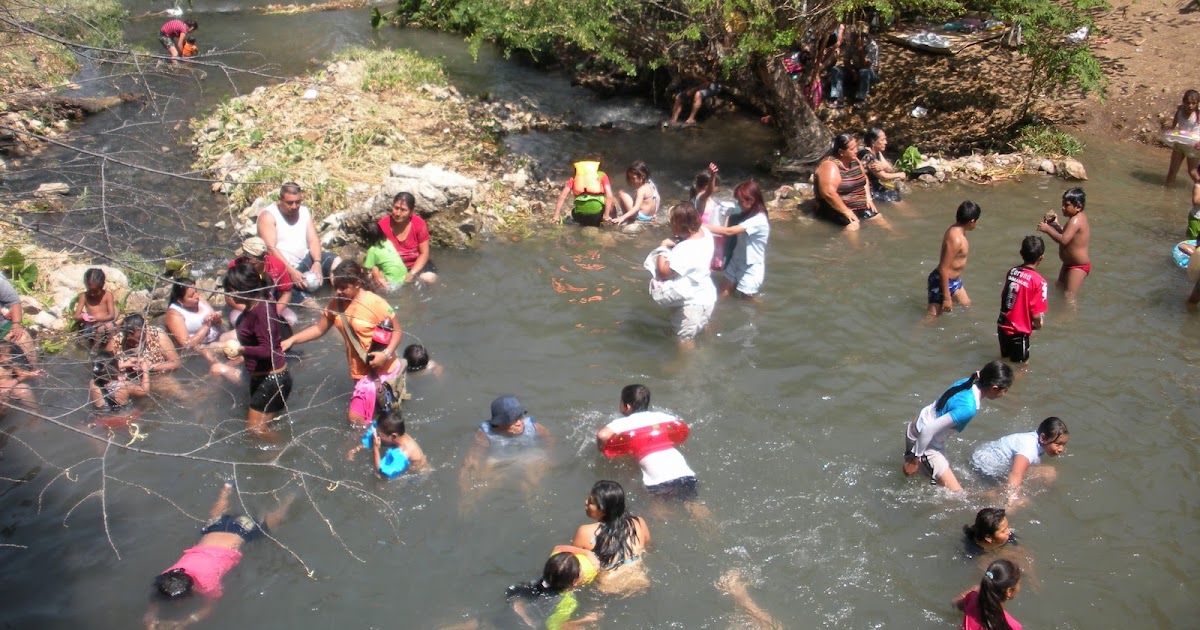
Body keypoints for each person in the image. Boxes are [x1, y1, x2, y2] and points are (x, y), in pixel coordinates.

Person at [145, 482, 291, 630]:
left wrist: (183, 623)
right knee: (216, 515)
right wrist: (150, 615)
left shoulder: (207, 584)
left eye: (177, 601)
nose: (174, 604)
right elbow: (157, 595)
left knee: (274, 521)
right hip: (214, 527)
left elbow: (209, 608)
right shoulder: (171, 574)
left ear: (192, 589)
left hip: (243, 531)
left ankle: (288, 499)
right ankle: (226, 488)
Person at [282, 261, 402, 426]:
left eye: (343, 287)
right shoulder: (336, 303)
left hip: (382, 369)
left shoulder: (376, 303)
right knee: (374, 417)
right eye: (335, 286)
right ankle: (373, 443)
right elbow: (319, 329)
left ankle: (363, 446)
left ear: (358, 284)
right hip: (358, 370)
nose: (338, 291)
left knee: (356, 419)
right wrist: (292, 340)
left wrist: (385, 354)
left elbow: (397, 331)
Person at [903, 361, 1014, 492]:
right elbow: (929, 429)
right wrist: (915, 460)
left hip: (914, 427)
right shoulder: (968, 408)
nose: (1005, 394)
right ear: (994, 388)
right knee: (958, 496)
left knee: (928, 477)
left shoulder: (967, 382)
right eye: (1005, 390)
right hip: (924, 441)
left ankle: (913, 472)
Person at [223, 261, 291, 437]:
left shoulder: (262, 312)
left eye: (230, 290)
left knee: (255, 429)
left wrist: (242, 350)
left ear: (242, 288)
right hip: (263, 378)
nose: (228, 295)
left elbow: (268, 351)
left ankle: (287, 453)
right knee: (266, 425)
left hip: (273, 379)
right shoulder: (252, 307)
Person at [596, 385, 696, 496]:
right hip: (683, 470)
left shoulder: (623, 423)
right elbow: (682, 428)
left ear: (627, 407)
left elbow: (602, 435)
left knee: (659, 512)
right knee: (695, 505)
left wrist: (602, 451)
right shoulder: (662, 416)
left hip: (658, 478)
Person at [459, 395, 552, 511]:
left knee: (532, 481)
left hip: (529, 455)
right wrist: (466, 491)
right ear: (500, 422)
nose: (519, 423)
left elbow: (548, 440)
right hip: (499, 458)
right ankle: (468, 510)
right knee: (481, 483)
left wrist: (549, 458)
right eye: (513, 419)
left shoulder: (534, 427)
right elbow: (472, 460)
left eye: (520, 416)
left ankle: (537, 510)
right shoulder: (485, 434)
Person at [256, 182, 341, 295]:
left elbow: (313, 240)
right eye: (290, 203)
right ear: (280, 200)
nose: (294, 206)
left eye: (298, 202)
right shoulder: (268, 216)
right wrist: (291, 271)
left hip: (305, 259)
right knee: (306, 306)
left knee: (336, 262)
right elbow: (271, 249)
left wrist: (317, 262)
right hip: (282, 269)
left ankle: (338, 297)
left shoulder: (304, 212)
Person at [650, 203, 717, 342]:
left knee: (684, 340)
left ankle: (682, 363)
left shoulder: (685, 249)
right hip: (707, 295)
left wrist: (662, 247)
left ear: (680, 225)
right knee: (703, 328)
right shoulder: (706, 233)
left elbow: (663, 272)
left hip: (692, 304)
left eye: (672, 223)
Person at [570, 480, 651, 594]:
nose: (586, 502)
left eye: (591, 502)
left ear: (602, 511)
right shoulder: (638, 523)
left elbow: (571, 564)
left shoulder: (585, 532)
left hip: (606, 591)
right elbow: (649, 548)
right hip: (640, 585)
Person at [972, 417, 1070, 506]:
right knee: (1019, 502)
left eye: (1063, 444)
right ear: (1042, 438)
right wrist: (1011, 498)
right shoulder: (1028, 449)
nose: (1061, 449)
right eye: (1058, 444)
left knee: (1048, 472)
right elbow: (1015, 474)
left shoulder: (1037, 441)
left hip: (984, 454)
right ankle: (979, 495)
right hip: (982, 466)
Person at [707, 180, 771, 299]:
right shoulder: (746, 214)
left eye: (740, 201)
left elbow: (729, 231)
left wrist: (699, 225)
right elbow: (727, 230)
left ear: (751, 200)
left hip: (751, 266)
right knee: (722, 292)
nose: (738, 204)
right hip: (736, 260)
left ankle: (764, 312)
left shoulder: (758, 219)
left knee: (747, 300)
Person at [815, 133, 882, 231]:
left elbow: (864, 178)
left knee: (878, 217)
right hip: (835, 208)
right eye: (852, 149)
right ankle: (855, 246)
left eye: (856, 147)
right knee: (853, 226)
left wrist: (868, 198)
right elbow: (828, 193)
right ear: (841, 152)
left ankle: (897, 238)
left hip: (857, 204)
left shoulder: (854, 160)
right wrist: (846, 211)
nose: (856, 151)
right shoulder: (830, 165)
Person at [997, 236, 1048, 364]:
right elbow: (1036, 314)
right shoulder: (1039, 282)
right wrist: (1038, 324)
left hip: (1003, 325)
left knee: (1004, 359)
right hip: (1018, 332)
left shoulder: (1012, 272)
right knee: (1022, 367)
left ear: (1021, 253)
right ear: (1041, 258)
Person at [225, 236, 296, 327]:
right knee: (236, 321)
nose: (246, 263)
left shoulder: (277, 266)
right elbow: (229, 297)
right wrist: (253, 312)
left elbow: (286, 292)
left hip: (271, 305)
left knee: (291, 321)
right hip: (245, 306)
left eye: (252, 264)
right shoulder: (235, 267)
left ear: (263, 258)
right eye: (244, 258)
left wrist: (275, 312)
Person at [927, 201, 982, 318]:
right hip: (941, 281)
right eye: (977, 220)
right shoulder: (956, 239)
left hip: (954, 280)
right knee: (931, 319)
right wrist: (947, 298)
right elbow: (943, 268)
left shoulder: (958, 231)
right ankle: (915, 335)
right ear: (972, 221)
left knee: (966, 305)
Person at [1036, 187, 1090, 304]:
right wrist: (1056, 226)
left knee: (1069, 295)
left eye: (1067, 205)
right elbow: (1066, 235)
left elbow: (1064, 240)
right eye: (1062, 204)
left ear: (1078, 207)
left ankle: (1068, 318)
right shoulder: (1073, 219)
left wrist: (1047, 229)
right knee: (1059, 287)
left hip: (1078, 266)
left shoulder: (1076, 220)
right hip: (1069, 264)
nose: (1063, 208)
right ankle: (1059, 311)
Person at [377, 192, 438, 285]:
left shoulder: (419, 224)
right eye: (396, 208)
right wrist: (377, 276)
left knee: (429, 278)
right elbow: (374, 252)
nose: (398, 213)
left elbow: (424, 253)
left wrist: (412, 273)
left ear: (411, 211)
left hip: (415, 264)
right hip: (391, 265)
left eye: (403, 210)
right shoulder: (382, 225)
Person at [105, 314, 182, 380]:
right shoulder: (116, 341)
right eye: (131, 341)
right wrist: (123, 365)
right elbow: (104, 366)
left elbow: (175, 363)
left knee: (170, 386)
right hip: (127, 380)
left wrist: (150, 367)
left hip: (156, 377)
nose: (135, 344)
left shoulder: (157, 335)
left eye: (139, 339)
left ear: (145, 330)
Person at [354, 410, 428, 478]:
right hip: (414, 465)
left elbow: (380, 472)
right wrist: (357, 449)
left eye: (381, 435)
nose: (378, 436)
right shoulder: (398, 435)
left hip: (419, 474)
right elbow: (382, 437)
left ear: (393, 436)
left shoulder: (404, 452)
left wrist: (376, 448)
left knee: (381, 485)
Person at [952, 559, 1023, 630]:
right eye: (1019, 583)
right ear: (1009, 591)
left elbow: (955, 603)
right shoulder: (1012, 626)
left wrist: (974, 590)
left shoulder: (972, 598)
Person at [552, 155, 616, 227]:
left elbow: (562, 196)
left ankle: (584, 225)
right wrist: (606, 215)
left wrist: (556, 216)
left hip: (580, 216)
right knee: (612, 202)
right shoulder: (602, 175)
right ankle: (611, 224)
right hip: (597, 215)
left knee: (574, 211)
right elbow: (609, 195)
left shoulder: (575, 177)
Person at [165, 278, 224, 352]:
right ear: (180, 300)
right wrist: (206, 325)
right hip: (201, 349)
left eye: (196, 292)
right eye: (191, 295)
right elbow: (186, 345)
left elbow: (217, 323)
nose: (197, 296)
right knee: (232, 347)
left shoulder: (199, 299)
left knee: (237, 336)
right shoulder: (174, 314)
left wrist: (216, 319)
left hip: (218, 337)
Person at [691, 163, 729, 270]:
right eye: (715, 185)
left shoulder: (710, 200)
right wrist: (713, 175)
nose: (716, 188)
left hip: (715, 238)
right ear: (707, 186)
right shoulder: (700, 198)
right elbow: (709, 191)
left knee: (716, 269)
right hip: (707, 239)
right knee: (708, 268)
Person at [858, 128, 907, 203]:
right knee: (894, 200)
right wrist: (900, 174)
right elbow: (883, 176)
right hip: (866, 190)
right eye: (882, 140)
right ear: (873, 142)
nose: (886, 142)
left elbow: (890, 169)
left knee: (896, 197)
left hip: (875, 186)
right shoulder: (867, 155)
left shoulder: (877, 152)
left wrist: (883, 166)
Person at [72, 267, 116, 349]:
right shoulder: (84, 296)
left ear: (102, 285)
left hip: (106, 323)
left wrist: (98, 319)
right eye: (90, 290)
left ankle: (112, 348)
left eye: (95, 291)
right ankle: (94, 351)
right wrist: (84, 317)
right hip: (90, 326)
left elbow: (112, 315)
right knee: (98, 329)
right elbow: (76, 316)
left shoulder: (108, 295)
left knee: (107, 327)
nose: (92, 294)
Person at [1163, 89, 1200, 186]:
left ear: (1197, 104)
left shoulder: (1198, 115)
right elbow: (1176, 117)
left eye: (1193, 103)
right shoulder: (1180, 109)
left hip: (1193, 147)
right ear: (1183, 102)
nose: (1190, 106)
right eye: (1188, 103)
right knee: (1172, 172)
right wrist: (1172, 127)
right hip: (1179, 144)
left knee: (1192, 172)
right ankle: (1168, 195)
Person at [360, 220, 408, 292]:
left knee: (369, 276)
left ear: (366, 238)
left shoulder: (372, 251)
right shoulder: (387, 242)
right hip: (405, 276)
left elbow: (365, 270)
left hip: (391, 284)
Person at [0, 274, 36, 365]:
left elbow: (14, 301)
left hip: (4, 325)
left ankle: (34, 371)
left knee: (22, 337)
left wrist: (16, 324)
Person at [851, 29, 880, 108]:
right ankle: (837, 97)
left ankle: (861, 99)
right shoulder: (851, 43)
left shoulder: (872, 46)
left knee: (864, 72)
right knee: (837, 70)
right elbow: (846, 60)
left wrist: (860, 51)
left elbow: (866, 65)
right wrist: (852, 70)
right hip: (856, 69)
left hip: (870, 72)